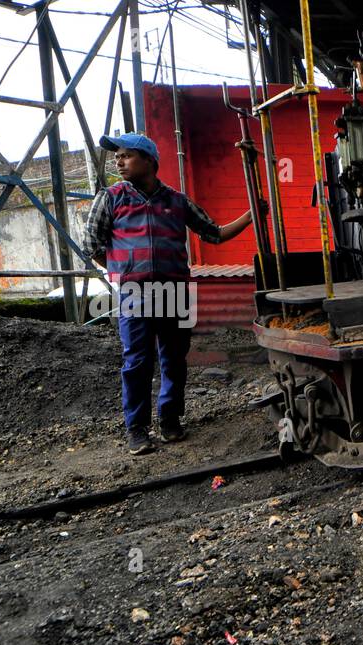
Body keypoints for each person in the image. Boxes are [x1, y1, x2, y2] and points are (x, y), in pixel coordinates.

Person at [82, 133, 260, 455]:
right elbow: (92, 244)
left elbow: (214, 234)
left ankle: (170, 419)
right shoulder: (111, 198)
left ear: (150, 161)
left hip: (175, 290)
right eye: (117, 157)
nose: (119, 162)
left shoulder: (177, 202)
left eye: (126, 155)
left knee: (174, 360)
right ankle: (137, 429)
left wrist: (251, 215)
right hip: (134, 292)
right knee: (136, 361)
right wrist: (123, 273)